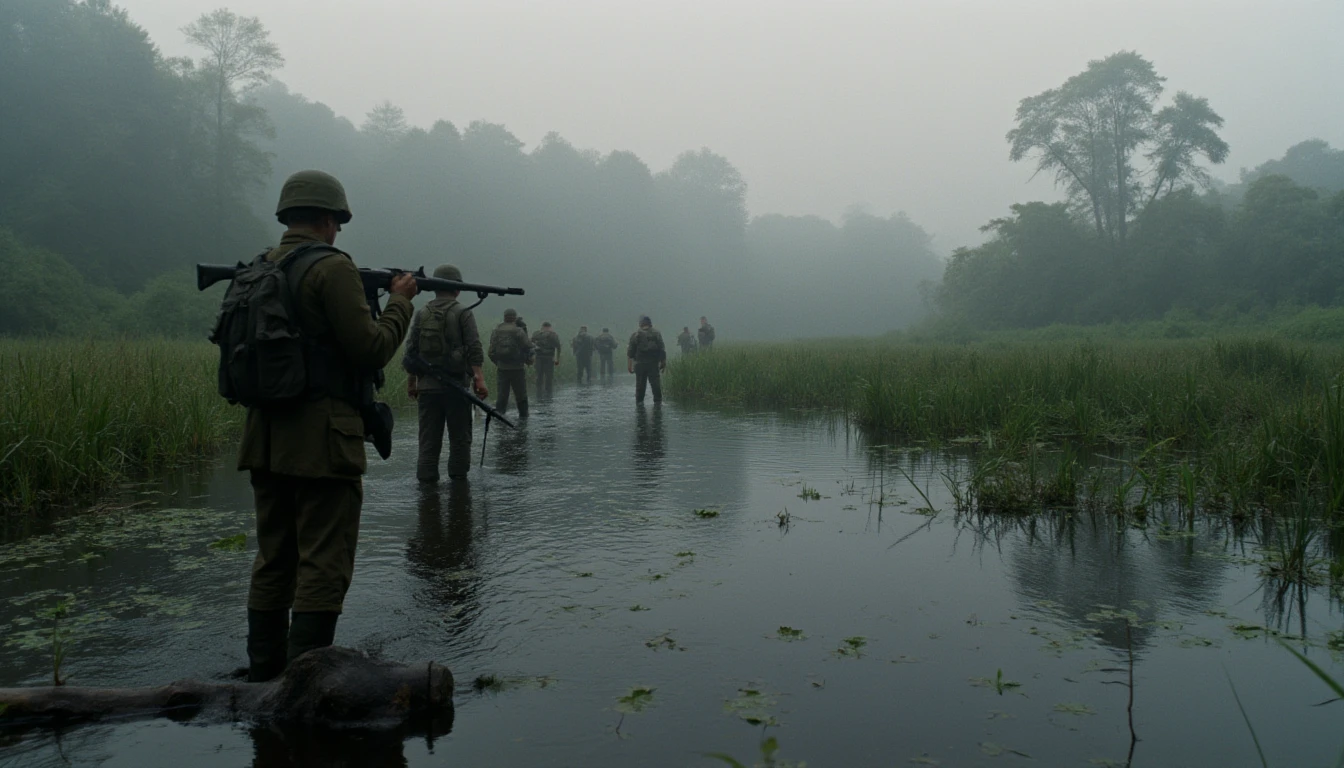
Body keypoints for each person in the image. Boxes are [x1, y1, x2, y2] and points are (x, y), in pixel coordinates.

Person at [240, 170, 419, 682]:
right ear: (328, 218)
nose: (338, 230)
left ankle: (262, 675)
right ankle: (303, 686)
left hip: (265, 437)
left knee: (275, 558)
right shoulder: (332, 267)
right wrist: (402, 300)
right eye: (337, 221)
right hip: (322, 439)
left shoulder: (259, 267)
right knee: (324, 561)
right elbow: (370, 348)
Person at [402, 264, 488, 483]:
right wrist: (479, 379)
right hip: (457, 388)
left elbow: (411, 352)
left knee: (428, 442)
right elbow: (474, 347)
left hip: (427, 388)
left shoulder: (422, 312)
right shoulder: (463, 312)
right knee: (460, 440)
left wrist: (412, 382)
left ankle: (426, 496)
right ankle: (460, 493)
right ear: (457, 288)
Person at [489, 308, 533, 417]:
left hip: (502, 369)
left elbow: (491, 352)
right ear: (514, 317)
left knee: (501, 396)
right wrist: (527, 360)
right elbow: (528, 346)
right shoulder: (519, 330)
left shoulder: (496, 331)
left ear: (504, 317)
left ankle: (500, 420)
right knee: (521, 396)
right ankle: (524, 420)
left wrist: (498, 363)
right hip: (518, 368)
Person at [627, 315, 667, 404]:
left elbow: (630, 352)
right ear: (650, 323)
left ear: (641, 324)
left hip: (639, 364)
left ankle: (639, 403)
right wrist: (663, 362)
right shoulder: (656, 333)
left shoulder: (635, 334)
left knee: (640, 386)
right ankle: (658, 403)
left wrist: (629, 365)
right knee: (655, 385)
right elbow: (662, 348)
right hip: (653, 364)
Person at [530, 321, 562, 397]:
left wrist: (531, 357)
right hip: (549, 358)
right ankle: (548, 394)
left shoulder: (536, 333)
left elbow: (530, 344)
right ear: (550, 327)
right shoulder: (553, 335)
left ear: (542, 326)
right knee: (549, 376)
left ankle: (538, 393)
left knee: (539, 375)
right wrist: (557, 359)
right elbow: (558, 347)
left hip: (538, 358)